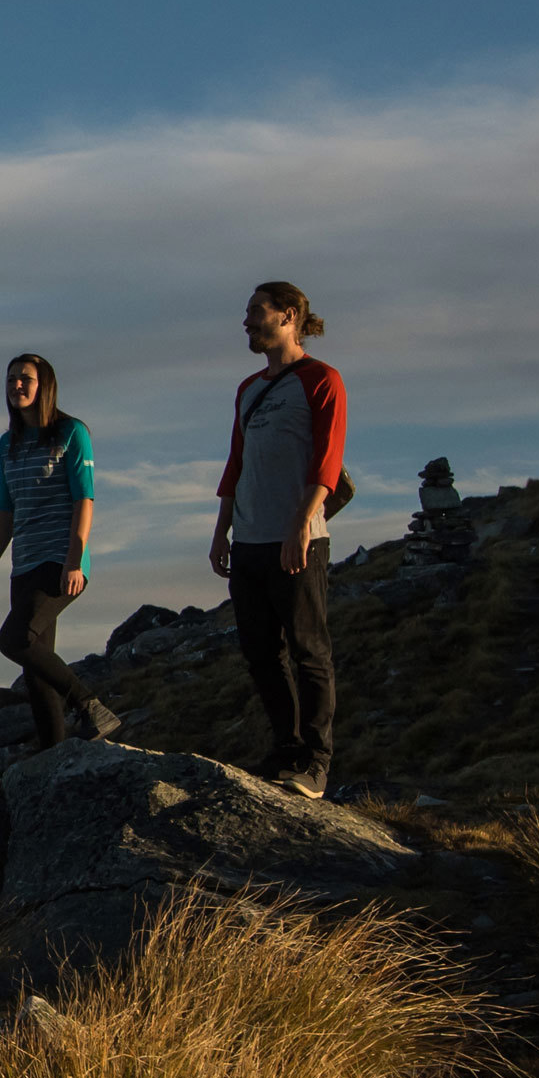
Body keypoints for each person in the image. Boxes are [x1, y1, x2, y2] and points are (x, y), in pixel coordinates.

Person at [210, 281, 345, 793]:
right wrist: (222, 531)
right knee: (261, 652)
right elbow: (236, 464)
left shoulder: (322, 380)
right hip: (248, 539)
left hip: (299, 539)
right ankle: (285, 750)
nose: (246, 322)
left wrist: (300, 525)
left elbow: (327, 460)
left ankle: (316, 760)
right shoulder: (247, 389)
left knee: (310, 649)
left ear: (288, 316)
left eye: (255, 312)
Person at [0, 352, 116, 747]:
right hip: (24, 563)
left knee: (14, 640)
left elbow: (84, 499)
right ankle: (53, 751)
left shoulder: (71, 432)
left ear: (45, 386)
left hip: (60, 559)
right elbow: (5, 510)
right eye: (11, 379)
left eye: (26, 379)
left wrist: (75, 559)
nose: (17, 385)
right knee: (36, 668)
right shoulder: (8, 444)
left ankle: (90, 706)